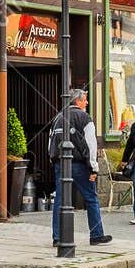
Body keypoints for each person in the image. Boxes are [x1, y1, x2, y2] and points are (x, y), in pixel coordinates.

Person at [47, 87, 112, 246]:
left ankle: (58, 237)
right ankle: (96, 235)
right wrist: (94, 168)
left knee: (60, 200)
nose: (87, 102)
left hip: (60, 163)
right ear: (78, 101)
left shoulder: (57, 118)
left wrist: (53, 161)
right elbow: (91, 145)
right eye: (85, 99)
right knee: (91, 198)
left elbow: (50, 143)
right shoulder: (85, 117)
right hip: (80, 164)